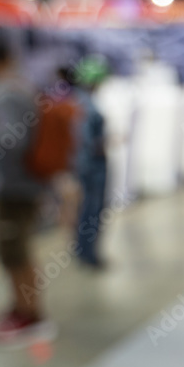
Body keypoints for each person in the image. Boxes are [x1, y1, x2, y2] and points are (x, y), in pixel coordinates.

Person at [0, 37, 55, 341]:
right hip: (13, 186)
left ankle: (32, 316)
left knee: (18, 253)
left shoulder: (11, 93)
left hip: (16, 187)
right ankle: (20, 309)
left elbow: (13, 140)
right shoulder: (13, 90)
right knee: (13, 253)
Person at [72, 56, 109, 270]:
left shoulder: (76, 101)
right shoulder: (89, 107)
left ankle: (83, 250)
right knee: (92, 210)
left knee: (85, 209)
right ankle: (88, 253)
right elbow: (87, 140)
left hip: (81, 164)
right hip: (92, 166)